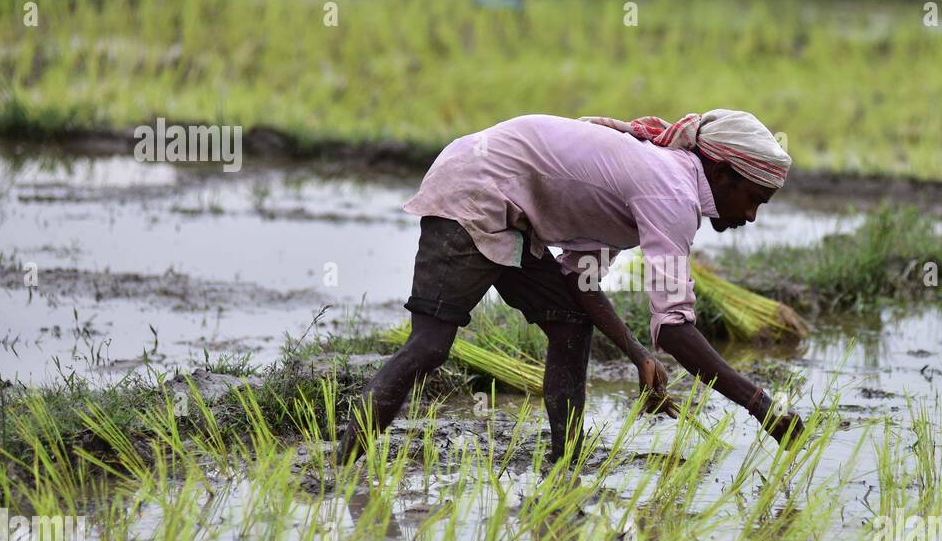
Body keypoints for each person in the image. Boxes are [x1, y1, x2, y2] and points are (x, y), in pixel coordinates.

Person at [338, 110, 806, 463]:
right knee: (430, 345)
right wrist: (762, 407)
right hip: (475, 189)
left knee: (571, 322)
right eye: (754, 199)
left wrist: (638, 356)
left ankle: (566, 466)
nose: (750, 215)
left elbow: (579, 281)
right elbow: (676, 330)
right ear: (723, 174)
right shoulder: (672, 193)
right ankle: (343, 469)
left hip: (512, 210)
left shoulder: (661, 182)